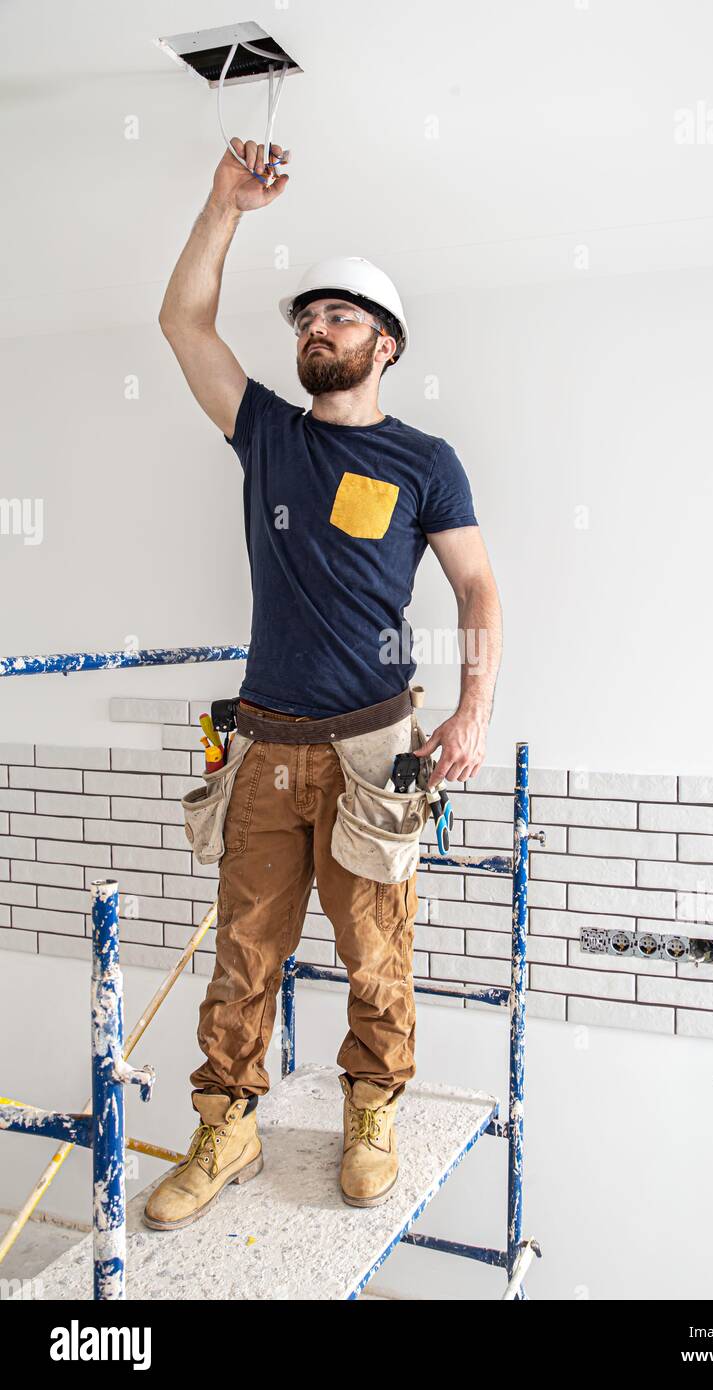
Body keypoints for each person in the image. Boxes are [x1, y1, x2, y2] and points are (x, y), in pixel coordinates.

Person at [143, 137, 502, 1230]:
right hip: (263, 741)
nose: (316, 333)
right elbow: (182, 326)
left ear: (383, 345)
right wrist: (222, 206)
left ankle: (369, 1112)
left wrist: (471, 706)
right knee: (242, 953)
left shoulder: (423, 459)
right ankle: (227, 1125)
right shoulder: (267, 433)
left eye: (339, 320)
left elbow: (477, 584)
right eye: (306, 321)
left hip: (372, 746)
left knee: (374, 952)